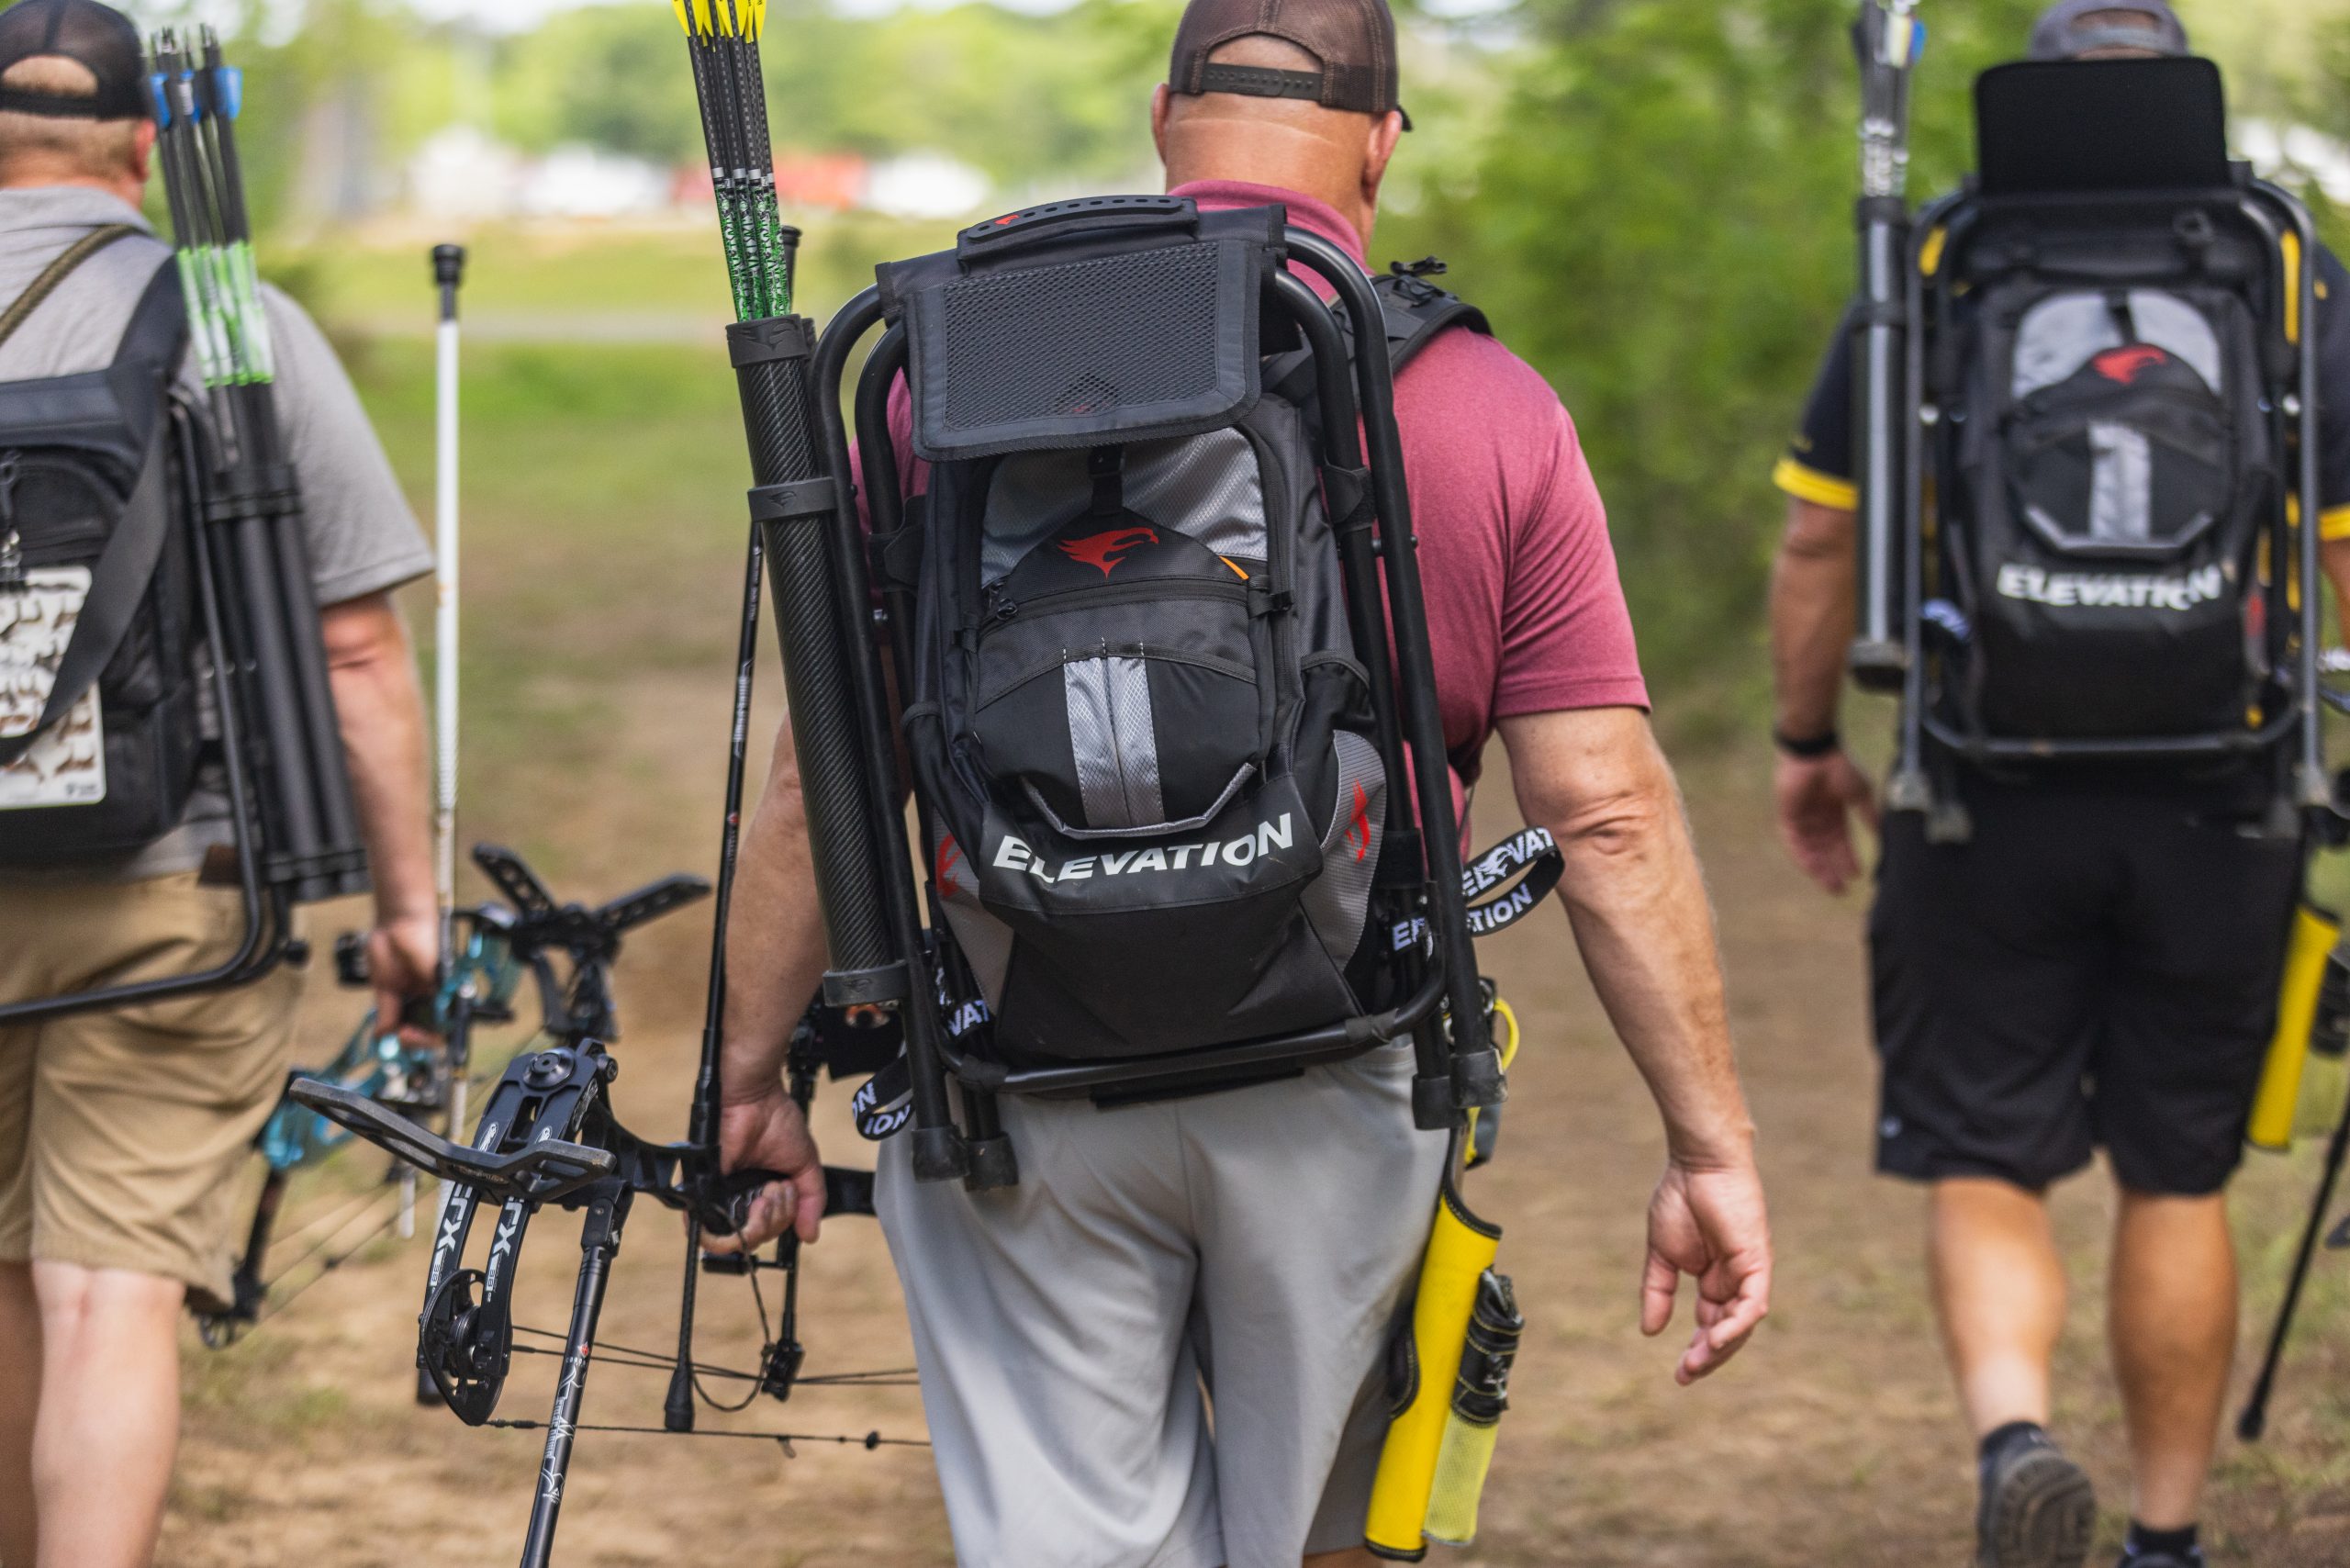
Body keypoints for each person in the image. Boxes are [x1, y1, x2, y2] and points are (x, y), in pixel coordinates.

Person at [716, 0, 1774, 1563]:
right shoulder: (1485, 405)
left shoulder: (944, 386)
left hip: (1022, 1075)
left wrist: (746, 1080)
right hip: (1344, 1068)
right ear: (1382, 144)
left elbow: (825, 790)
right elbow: (1604, 816)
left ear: (1165, 119)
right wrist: (1709, 1148)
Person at [1767, 6, 2350, 1567]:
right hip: (2225, 783)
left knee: (1984, 1152)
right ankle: (2165, 1539)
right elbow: (2343, 548)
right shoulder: (2282, 263)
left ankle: (2018, 1437)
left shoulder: (1939, 261)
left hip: (1984, 783)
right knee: (2179, 1176)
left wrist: (1808, 744)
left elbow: (1821, 537)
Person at [0, 3, 437, 1564]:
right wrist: (407, 908)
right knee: (104, 1287)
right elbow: (355, 648)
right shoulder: (227, 314)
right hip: (177, 888)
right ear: (144, 143)